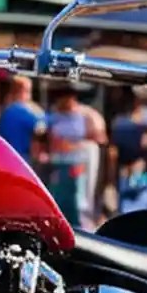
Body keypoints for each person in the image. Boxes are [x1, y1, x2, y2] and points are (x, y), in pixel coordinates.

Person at [45, 85, 96, 227]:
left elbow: (92, 135)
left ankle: (79, 227)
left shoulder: (82, 116)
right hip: (58, 163)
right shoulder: (53, 118)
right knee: (58, 198)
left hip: (76, 162)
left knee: (77, 198)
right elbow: (49, 139)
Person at [0, 75, 45, 166]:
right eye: (28, 91)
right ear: (22, 91)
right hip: (21, 159)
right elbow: (41, 127)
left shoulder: (6, 110)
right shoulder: (20, 111)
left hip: (5, 157)